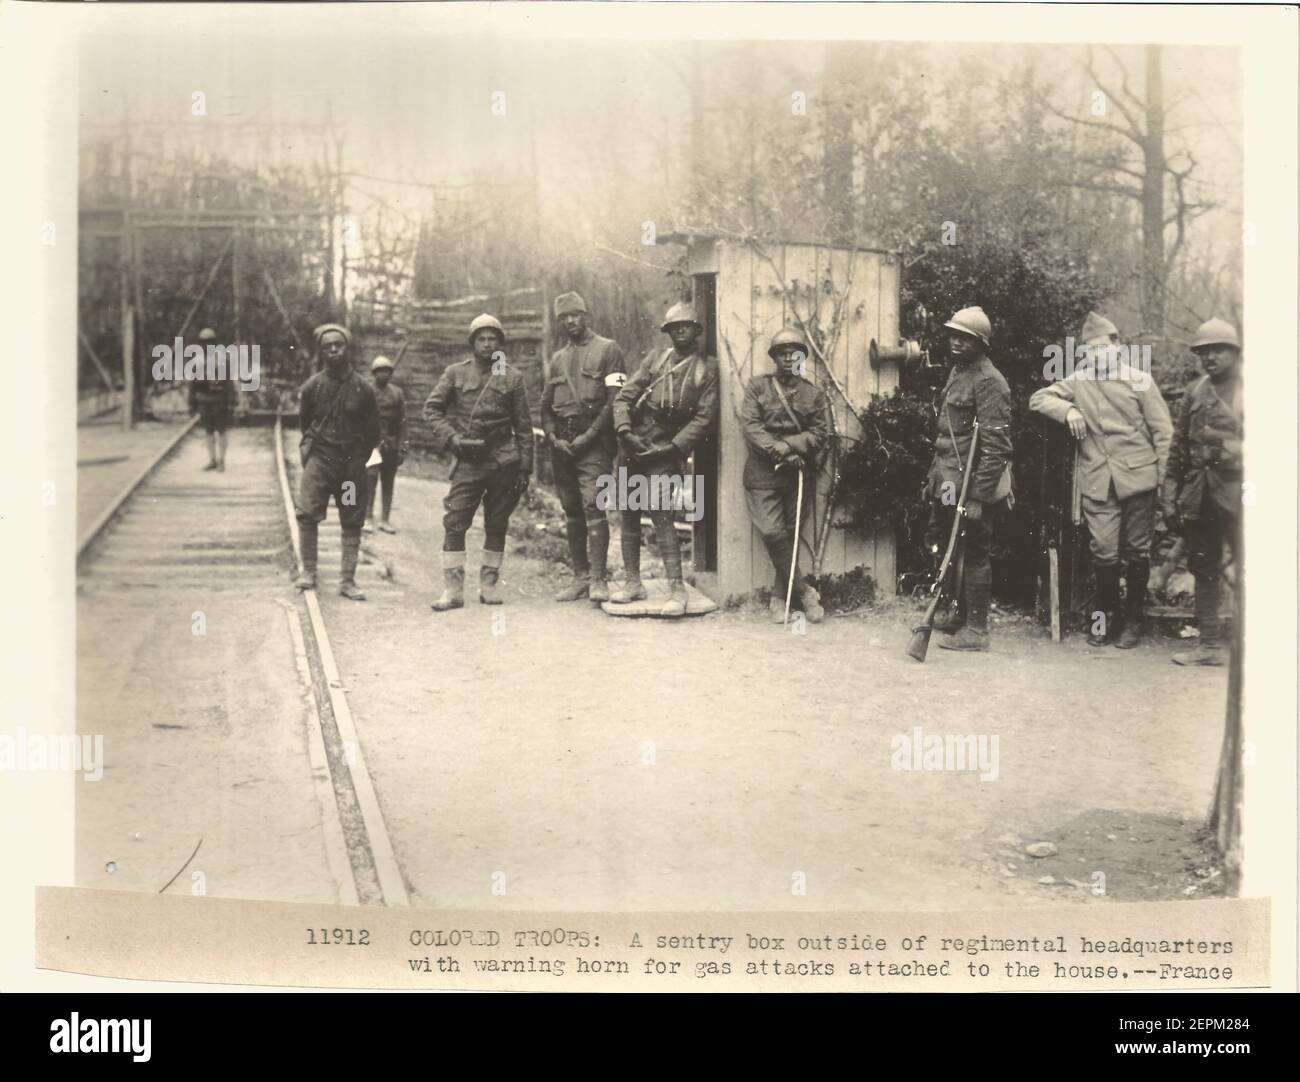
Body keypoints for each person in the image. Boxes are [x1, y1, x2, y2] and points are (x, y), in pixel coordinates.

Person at [1029, 312, 1172, 647]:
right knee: (1104, 552)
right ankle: (1104, 620)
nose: (1096, 355)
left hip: (1139, 480)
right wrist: (1068, 411)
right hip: (1098, 482)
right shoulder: (1078, 381)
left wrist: (1163, 482)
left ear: (1117, 347)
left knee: (1137, 552)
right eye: (1089, 350)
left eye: (1102, 348)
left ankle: (1133, 621)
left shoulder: (1140, 380)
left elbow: (1164, 433)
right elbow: (1038, 398)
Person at [611, 302, 719, 617]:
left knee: (661, 512)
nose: (680, 331)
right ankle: (633, 582)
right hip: (633, 446)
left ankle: (676, 588)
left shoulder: (706, 369)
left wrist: (672, 449)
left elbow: (703, 419)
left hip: (666, 450)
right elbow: (624, 396)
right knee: (628, 511)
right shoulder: (655, 360)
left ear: (696, 331)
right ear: (668, 332)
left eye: (685, 326)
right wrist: (625, 430)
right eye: (674, 327)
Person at [423, 314, 534, 610]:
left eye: (492, 339)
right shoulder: (455, 374)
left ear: (500, 343)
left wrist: (525, 467)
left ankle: (488, 584)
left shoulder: (512, 377)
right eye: (481, 339)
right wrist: (452, 438)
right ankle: (453, 589)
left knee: (497, 523)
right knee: (455, 521)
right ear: (472, 343)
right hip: (469, 460)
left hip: (503, 461)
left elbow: (524, 426)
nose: (487, 344)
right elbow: (432, 409)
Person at [923, 306, 1013, 652]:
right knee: (945, 541)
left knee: (974, 548)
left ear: (982, 343)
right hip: (947, 479)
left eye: (966, 338)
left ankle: (976, 629)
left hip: (971, 482)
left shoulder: (989, 381)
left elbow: (996, 446)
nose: (956, 343)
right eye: (953, 336)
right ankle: (957, 615)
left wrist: (978, 496)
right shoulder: (959, 372)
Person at [1162, 318, 1244, 667]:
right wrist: (1170, 495)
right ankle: (1209, 645)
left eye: (1218, 350)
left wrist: (1227, 452)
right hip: (1200, 495)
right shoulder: (1195, 392)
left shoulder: (1251, 390)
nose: (1210, 358)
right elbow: (1178, 447)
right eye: (1204, 352)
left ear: (1234, 352)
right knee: (1205, 570)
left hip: (1242, 494)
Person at [540, 292, 627, 603]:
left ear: (586, 314)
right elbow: (546, 405)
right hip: (563, 446)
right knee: (572, 509)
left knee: (594, 505)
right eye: (564, 317)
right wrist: (553, 437)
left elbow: (616, 399)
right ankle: (580, 577)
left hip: (594, 444)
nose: (570, 321)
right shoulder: (557, 359)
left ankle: (599, 579)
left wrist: (588, 437)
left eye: (575, 314)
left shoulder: (608, 350)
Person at [740, 326, 830, 623]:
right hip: (762, 473)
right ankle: (804, 592)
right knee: (771, 532)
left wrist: (791, 447)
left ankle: (779, 599)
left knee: (790, 536)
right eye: (782, 352)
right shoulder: (757, 387)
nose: (788, 357)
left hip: (797, 475)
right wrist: (777, 449)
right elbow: (751, 426)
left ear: (802, 357)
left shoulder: (814, 394)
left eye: (795, 352)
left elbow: (820, 432)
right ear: (774, 357)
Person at [293, 323, 380, 601]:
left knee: (352, 518)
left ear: (347, 348)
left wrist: (357, 459)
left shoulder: (363, 389)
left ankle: (347, 580)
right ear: (321, 351)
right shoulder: (312, 387)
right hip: (320, 460)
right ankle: (308, 571)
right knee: (307, 511)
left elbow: (373, 431)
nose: (333, 350)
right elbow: (305, 423)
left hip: (350, 465)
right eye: (327, 346)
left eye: (338, 345)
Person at [364, 355, 407, 534]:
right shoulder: (366, 391)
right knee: (370, 480)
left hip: (390, 445)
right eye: (380, 371)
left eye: (387, 371)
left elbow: (402, 422)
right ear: (374, 373)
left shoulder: (397, 393)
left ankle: (385, 520)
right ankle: (367, 518)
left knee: (388, 483)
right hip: (371, 445)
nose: (384, 375)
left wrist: (402, 447)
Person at [188, 327, 236, 471]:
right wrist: (191, 402)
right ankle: (212, 459)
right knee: (208, 432)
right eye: (203, 342)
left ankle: (221, 460)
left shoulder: (222, 359)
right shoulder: (197, 360)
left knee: (221, 431)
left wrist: (231, 401)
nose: (206, 345)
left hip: (219, 400)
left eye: (209, 342)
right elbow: (192, 383)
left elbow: (228, 382)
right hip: (204, 400)